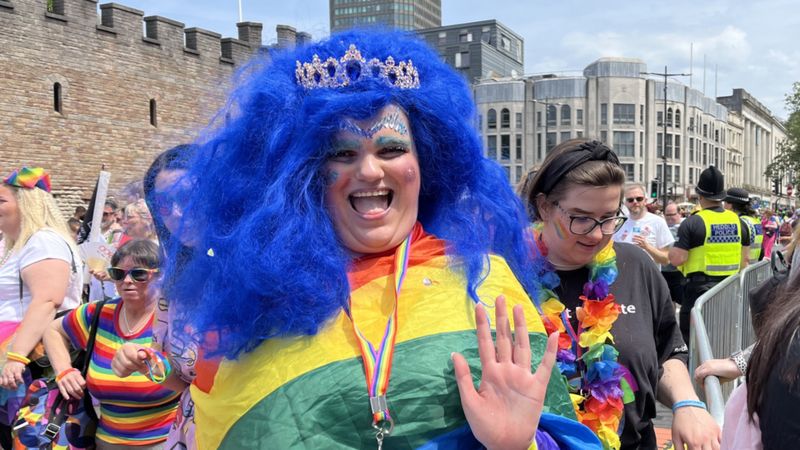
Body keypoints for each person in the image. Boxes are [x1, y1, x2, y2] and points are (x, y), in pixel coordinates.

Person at [114, 30, 599, 450]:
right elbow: (230, 427)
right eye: (341, 153)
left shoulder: (489, 284)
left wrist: (518, 444)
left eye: (390, 148)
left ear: (425, 164)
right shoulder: (254, 303)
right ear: (303, 174)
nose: (369, 169)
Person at [522, 139, 720, 450]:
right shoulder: (507, 274)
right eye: (582, 217)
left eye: (610, 217)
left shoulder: (636, 265)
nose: (599, 233)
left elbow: (667, 353)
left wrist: (686, 402)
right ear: (545, 206)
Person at [43, 239, 180, 450]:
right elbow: (53, 330)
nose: (127, 281)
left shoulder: (171, 319)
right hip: (105, 440)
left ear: (160, 276)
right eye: (118, 274)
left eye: (138, 274)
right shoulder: (98, 313)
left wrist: (146, 365)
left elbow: (187, 377)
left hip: (164, 440)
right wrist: (64, 371)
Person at [116, 143, 199, 450]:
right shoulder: (172, 286)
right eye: (165, 204)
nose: (177, 213)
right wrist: (142, 361)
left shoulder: (262, 274)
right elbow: (180, 380)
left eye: (190, 197)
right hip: (193, 435)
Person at [0, 167, 83, 449]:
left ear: (26, 204)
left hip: (33, 360)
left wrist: (16, 357)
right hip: (19, 357)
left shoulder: (43, 241)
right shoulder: (16, 245)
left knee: (32, 435)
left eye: (1, 201)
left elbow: (47, 300)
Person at [668, 166, 742, 348]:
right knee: (722, 338)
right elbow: (745, 258)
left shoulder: (693, 222)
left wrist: (671, 250)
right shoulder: (736, 220)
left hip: (699, 290)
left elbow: (677, 259)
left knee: (693, 339)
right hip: (729, 288)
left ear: (699, 195)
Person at [613, 184, 674, 266]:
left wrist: (647, 247)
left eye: (639, 199)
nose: (635, 202)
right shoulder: (619, 223)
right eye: (630, 200)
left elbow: (666, 260)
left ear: (645, 201)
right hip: (624, 276)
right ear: (626, 203)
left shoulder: (658, 222)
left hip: (648, 277)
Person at [723, 187, 758, 266]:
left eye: (725, 203)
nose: (723, 206)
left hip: (742, 270)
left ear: (730, 205)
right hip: (754, 268)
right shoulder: (754, 220)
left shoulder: (740, 223)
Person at [661, 202, 686, 306]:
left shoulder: (685, 227)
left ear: (679, 213)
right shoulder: (661, 227)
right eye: (667, 215)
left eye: (673, 214)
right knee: (667, 303)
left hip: (679, 273)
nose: (670, 218)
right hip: (663, 272)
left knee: (683, 302)